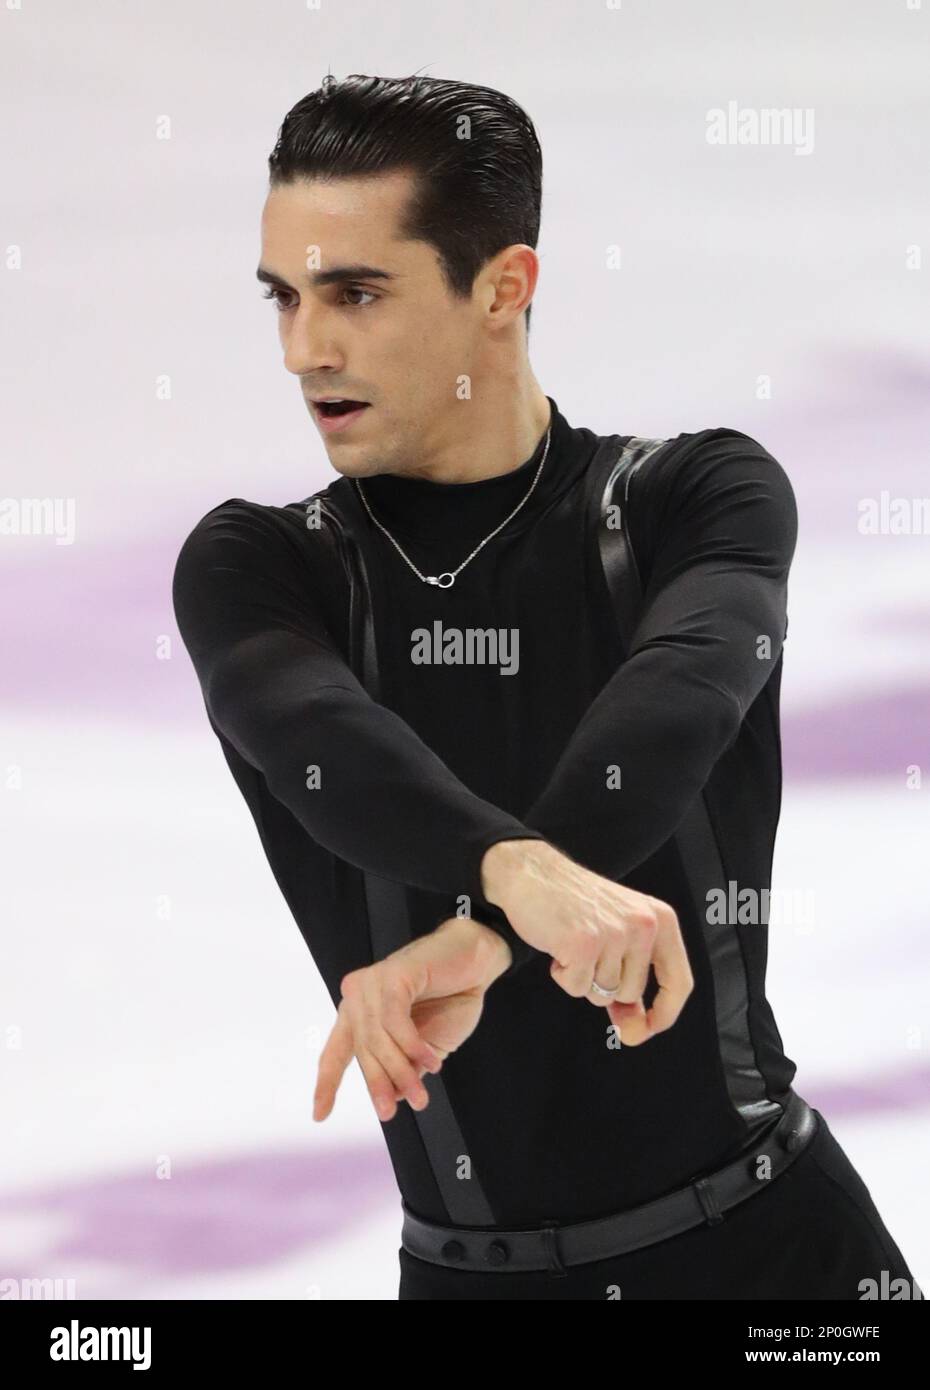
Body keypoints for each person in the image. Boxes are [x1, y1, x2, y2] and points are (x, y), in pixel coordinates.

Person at [171, 74, 920, 1300]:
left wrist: (478, 937)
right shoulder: (265, 566)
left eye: (356, 292)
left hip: (786, 1258)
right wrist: (523, 883)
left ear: (503, 287)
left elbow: (676, 705)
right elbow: (317, 742)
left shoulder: (694, 498)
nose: (307, 347)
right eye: (286, 298)